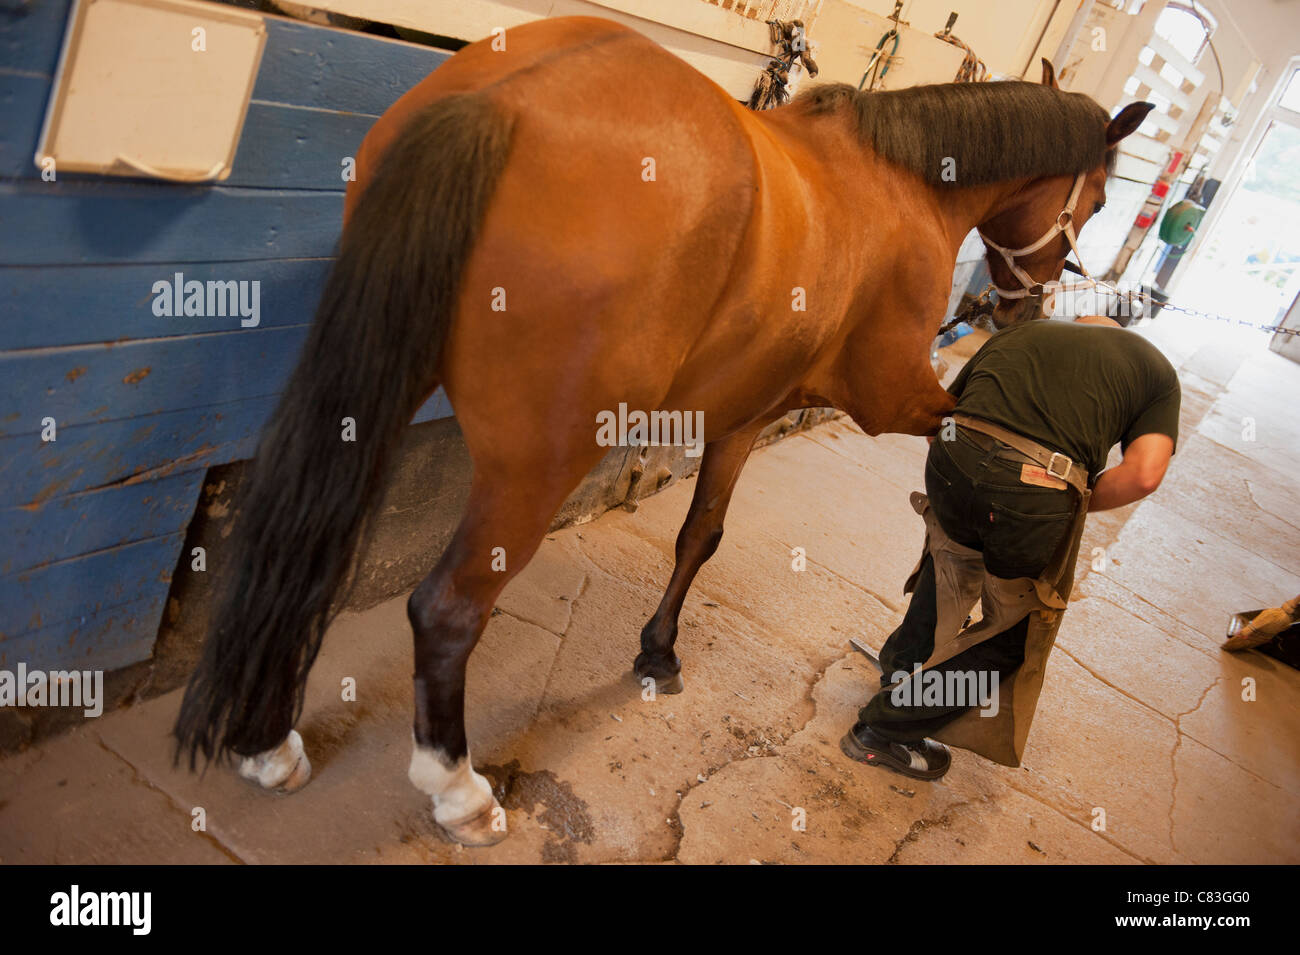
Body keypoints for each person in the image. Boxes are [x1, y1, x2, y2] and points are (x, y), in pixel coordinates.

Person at [841, 315, 1180, 779]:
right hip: (1039, 487)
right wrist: (1067, 502)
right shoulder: (1155, 369)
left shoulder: (1026, 331)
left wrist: (967, 475)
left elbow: (938, 415)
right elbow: (1144, 474)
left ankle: (899, 677)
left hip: (951, 457)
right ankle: (885, 730)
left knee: (949, 568)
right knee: (1014, 635)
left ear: (1077, 323)